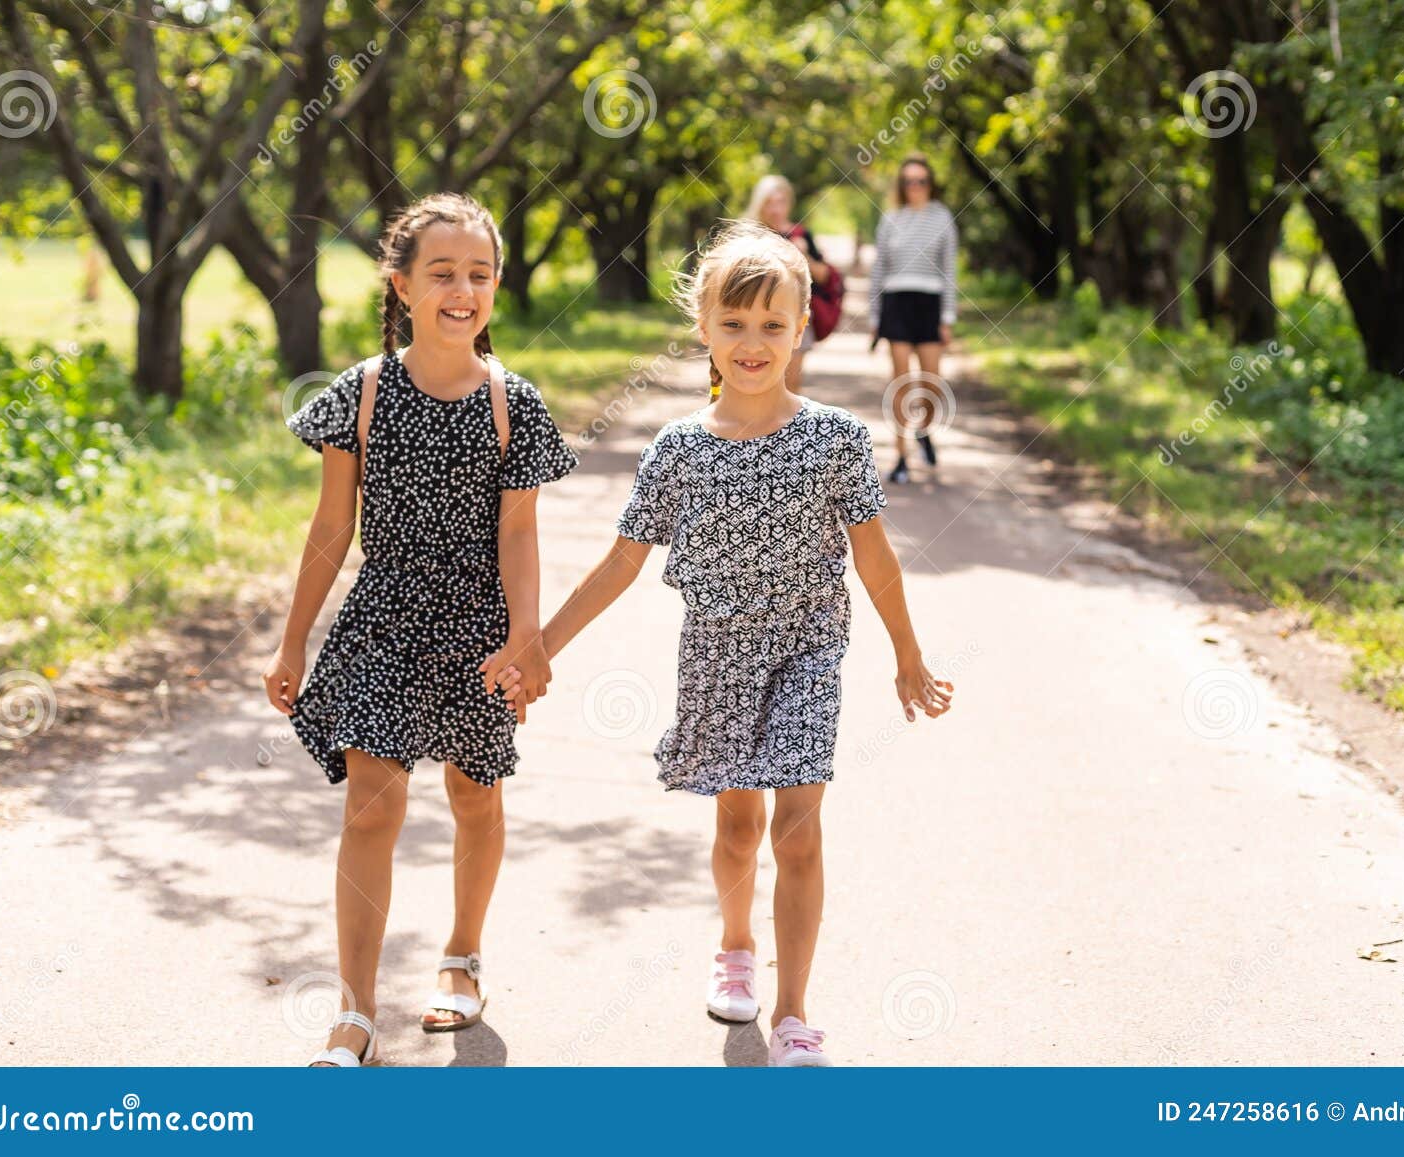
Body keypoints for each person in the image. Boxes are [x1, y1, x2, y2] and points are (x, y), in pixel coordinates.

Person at [496, 220, 954, 1066]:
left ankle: (791, 1013)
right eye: (734, 324)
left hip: (810, 648)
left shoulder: (837, 440)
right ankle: (736, 946)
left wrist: (908, 654)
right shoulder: (677, 450)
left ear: (801, 329)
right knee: (739, 824)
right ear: (703, 326)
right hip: (716, 655)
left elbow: (875, 556)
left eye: (773, 325)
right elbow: (622, 560)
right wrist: (542, 643)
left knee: (801, 828)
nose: (753, 343)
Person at [261, 192, 578, 1067]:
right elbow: (331, 530)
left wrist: (526, 639)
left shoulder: (514, 403)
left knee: (475, 794)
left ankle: (462, 953)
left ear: (496, 287)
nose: (461, 290)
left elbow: (519, 533)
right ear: (401, 286)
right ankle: (357, 1010)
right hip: (382, 624)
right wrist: (292, 641)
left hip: (478, 630)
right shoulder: (359, 394)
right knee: (375, 803)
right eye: (441, 273)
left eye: (478, 274)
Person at [868, 155, 958, 484]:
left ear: (930, 184)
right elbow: (879, 270)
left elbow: (949, 270)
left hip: (930, 304)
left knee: (932, 383)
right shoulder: (890, 219)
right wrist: (875, 315)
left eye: (921, 181)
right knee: (901, 383)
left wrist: (947, 317)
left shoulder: (943, 218)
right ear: (901, 186)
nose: (915, 187)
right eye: (909, 182)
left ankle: (923, 431)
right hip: (896, 303)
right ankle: (902, 456)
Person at [746, 174, 832, 394]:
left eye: (780, 202)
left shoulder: (801, 235)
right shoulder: (749, 236)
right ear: (760, 204)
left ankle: (787, 428)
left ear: (788, 203)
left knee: (790, 383)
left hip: (793, 317)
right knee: (758, 384)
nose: (775, 209)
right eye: (769, 202)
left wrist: (804, 255)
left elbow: (823, 275)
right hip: (753, 317)